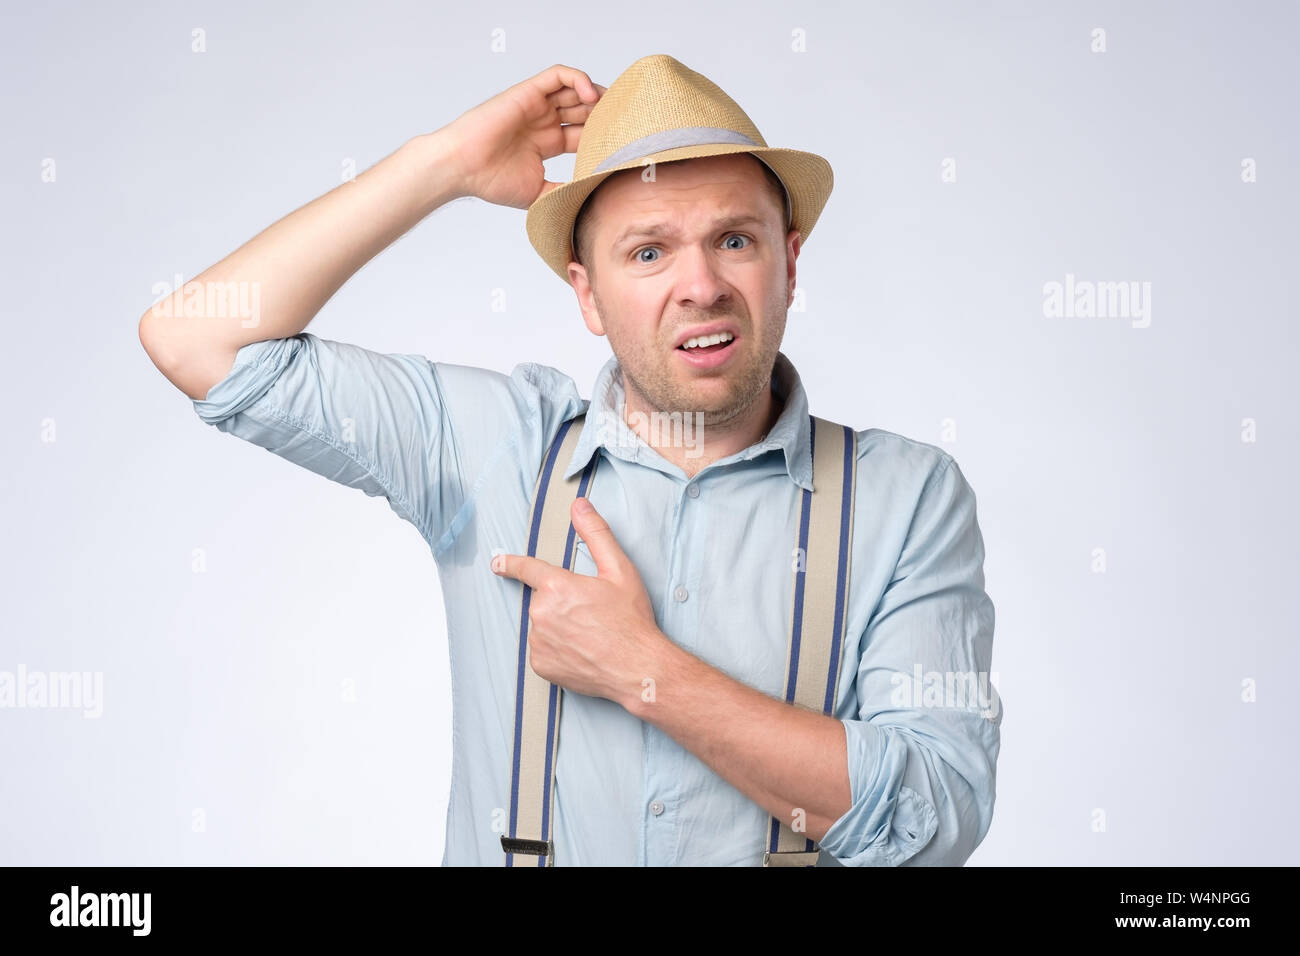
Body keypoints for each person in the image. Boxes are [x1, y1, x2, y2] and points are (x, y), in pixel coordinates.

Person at [138, 54, 1001, 866]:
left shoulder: (907, 497)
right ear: (586, 291)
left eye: (735, 239)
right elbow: (196, 339)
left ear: (791, 260)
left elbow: (934, 817)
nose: (701, 284)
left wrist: (647, 671)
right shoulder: (493, 445)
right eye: (649, 252)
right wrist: (441, 165)